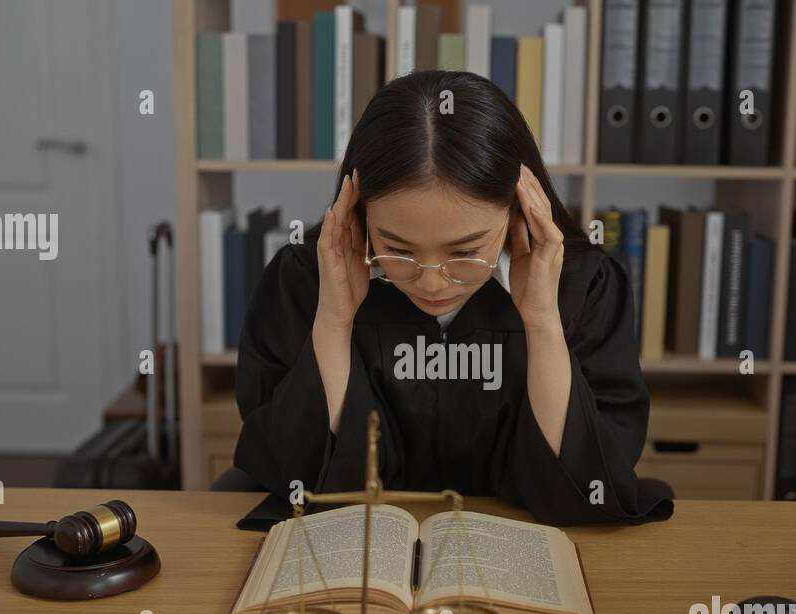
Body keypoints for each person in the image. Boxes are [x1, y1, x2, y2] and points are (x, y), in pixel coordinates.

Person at [231, 70, 672, 527]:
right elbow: (299, 480)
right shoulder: (304, 279)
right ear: (358, 210)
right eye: (398, 249)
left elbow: (589, 484)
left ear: (519, 207)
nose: (432, 283)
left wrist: (541, 318)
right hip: (358, 554)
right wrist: (334, 321)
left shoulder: (585, 285)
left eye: (465, 252)